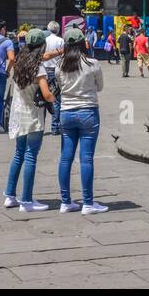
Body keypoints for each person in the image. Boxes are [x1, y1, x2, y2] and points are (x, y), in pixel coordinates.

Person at [4, 28, 57, 212]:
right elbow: (47, 94)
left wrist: (59, 51)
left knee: (18, 154)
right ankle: (26, 200)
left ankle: (10, 195)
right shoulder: (39, 68)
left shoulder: (20, 62)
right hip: (33, 116)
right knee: (31, 156)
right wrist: (55, 95)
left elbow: (46, 56)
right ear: (41, 45)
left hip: (18, 114)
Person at [55, 27, 107, 214]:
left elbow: (60, 87)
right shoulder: (92, 63)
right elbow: (99, 87)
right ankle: (88, 203)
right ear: (82, 43)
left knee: (65, 158)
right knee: (86, 158)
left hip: (66, 113)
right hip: (88, 112)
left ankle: (65, 201)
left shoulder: (60, 65)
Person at [43, 21, 64, 135]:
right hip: (56, 70)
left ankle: (41, 126)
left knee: (43, 98)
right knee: (56, 100)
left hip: (45, 70)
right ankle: (55, 127)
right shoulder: (60, 41)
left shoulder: (45, 40)